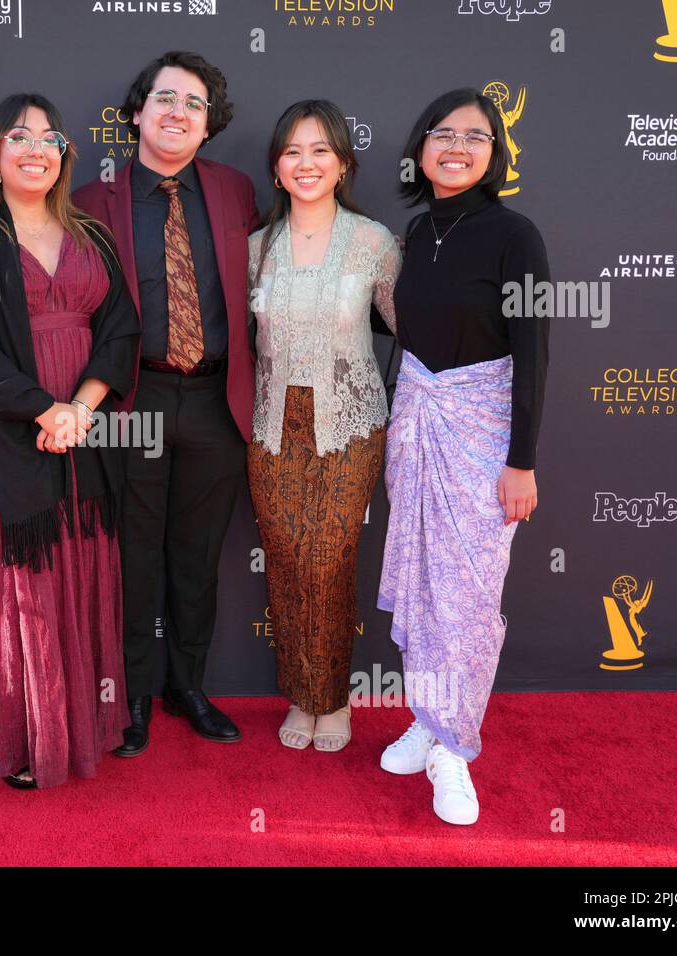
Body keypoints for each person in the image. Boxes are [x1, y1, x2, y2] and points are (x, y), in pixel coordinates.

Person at [0, 93, 140, 789]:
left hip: (84, 422)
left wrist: (79, 407)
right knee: (24, 577)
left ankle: (88, 722)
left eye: (50, 138)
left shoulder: (92, 233)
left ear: (64, 156)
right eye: (19, 136)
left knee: (82, 564)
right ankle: (29, 737)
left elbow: (120, 330)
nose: (36, 148)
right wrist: (43, 410)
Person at [74, 51, 259, 756]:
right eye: (165, 99)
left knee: (198, 554)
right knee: (133, 555)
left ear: (209, 124)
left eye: (194, 104)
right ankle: (135, 696)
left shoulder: (237, 191)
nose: (178, 113)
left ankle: (190, 685)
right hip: (134, 395)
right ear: (136, 112)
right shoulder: (94, 202)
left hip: (217, 397)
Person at [377, 89, 550, 825]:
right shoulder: (415, 233)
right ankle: (426, 715)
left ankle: (455, 747)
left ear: (495, 153)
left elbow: (535, 350)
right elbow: (400, 331)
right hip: (416, 427)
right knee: (422, 586)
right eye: (442, 133)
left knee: (470, 601)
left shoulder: (515, 234)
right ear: (420, 148)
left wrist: (522, 461)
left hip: (484, 440)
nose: (456, 146)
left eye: (475, 136)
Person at [246, 100, 399, 754]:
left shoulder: (373, 242)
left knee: (330, 560)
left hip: (349, 420)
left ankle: (331, 700)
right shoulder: (256, 248)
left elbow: (411, 331)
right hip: (273, 425)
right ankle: (298, 695)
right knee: (285, 560)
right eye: (292, 152)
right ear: (277, 169)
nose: (306, 163)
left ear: (342, 163)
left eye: (320, 151)